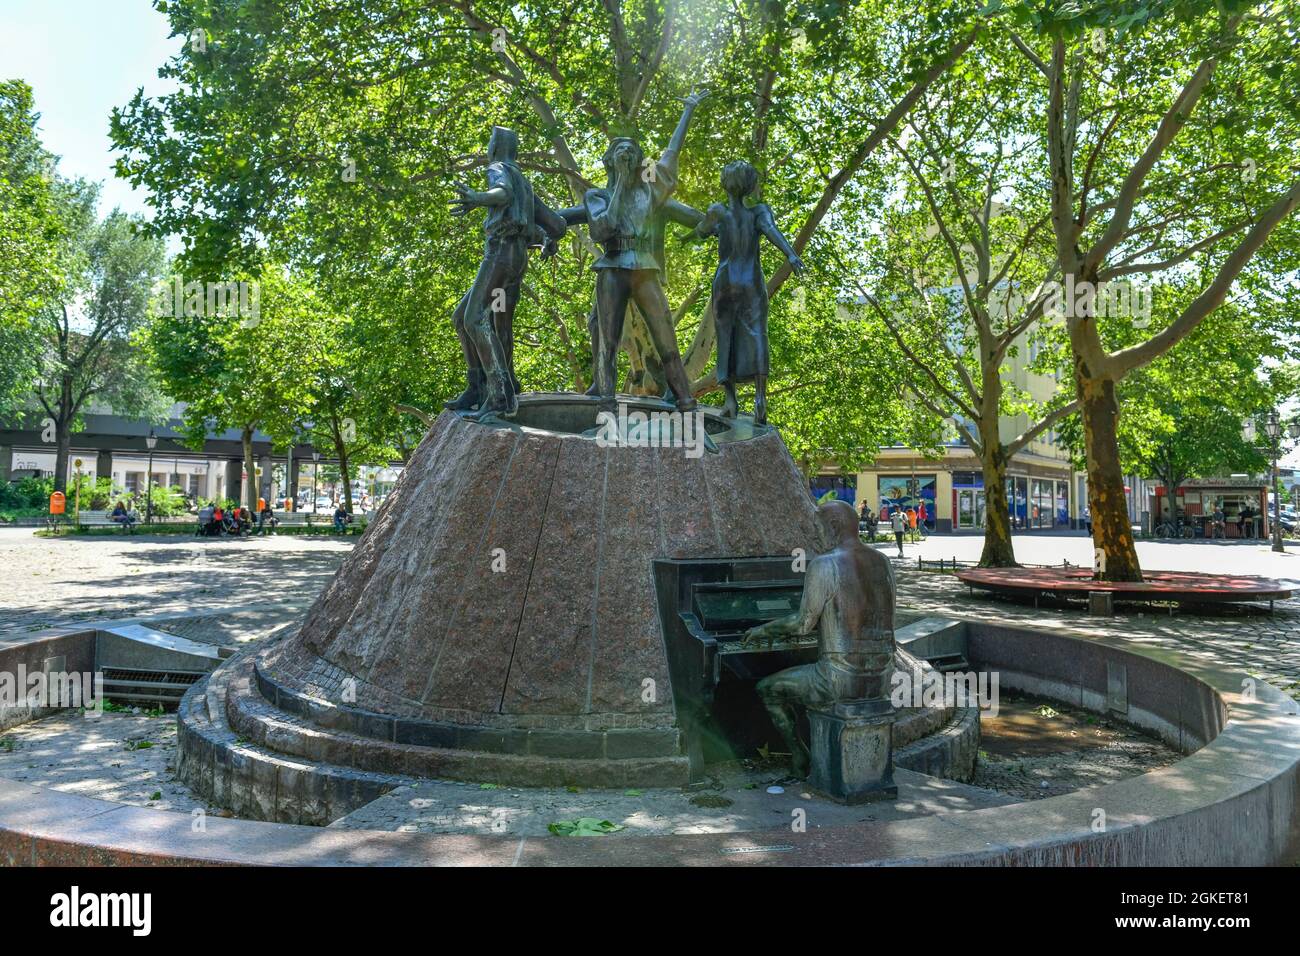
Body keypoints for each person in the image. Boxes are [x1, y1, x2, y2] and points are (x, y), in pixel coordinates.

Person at [556, 89, 710, 410]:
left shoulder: (651, 193)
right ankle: (605, 406)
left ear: (640, 161)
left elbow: (670, 154)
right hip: (612, 268)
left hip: (643, 268)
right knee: (607, 343)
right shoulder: (597, 197)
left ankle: (685, 401)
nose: (625, 152)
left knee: (665, 336)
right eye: (619, 150)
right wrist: (622, 186)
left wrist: (689, 111)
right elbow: (602, 230)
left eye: (631, 150)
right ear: (609, 161)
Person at [742, 500, 896, 778]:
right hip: (883, 676)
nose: (815, 535)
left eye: (818, 528)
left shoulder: (824, 564)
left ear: (834, 526)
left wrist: (763, 630)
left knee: (768, 689)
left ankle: (800, 757)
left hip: (839, 680)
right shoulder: (882, 562)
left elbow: (802, 625)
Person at [446, 126, 568, 416]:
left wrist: (478, 197)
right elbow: (558, 225)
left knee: (474, 318)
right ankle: (482, 386)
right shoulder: (525, 183)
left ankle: (498, 395)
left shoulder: (498, 167)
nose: (488, 147)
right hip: (517, 257)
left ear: (497, 146)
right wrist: (545, 238)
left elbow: (502, 192)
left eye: (489, 141)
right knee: (466, 319)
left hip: (500, 252)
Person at [692, 159, 803, 423]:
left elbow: (700, 232)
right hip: (751, 282)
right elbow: (771, 230)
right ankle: (760, 397)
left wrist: (708, 228)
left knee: (725, 336)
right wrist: (791, 255)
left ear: (725, 184)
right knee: (757, 335)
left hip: (725, 282)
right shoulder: (759, 212)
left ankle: (730, 399)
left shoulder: (718, 212)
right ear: (751, 185)